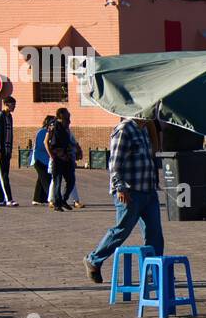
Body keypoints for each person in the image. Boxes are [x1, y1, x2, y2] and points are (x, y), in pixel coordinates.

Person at [83, 117, 163, 282]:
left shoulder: (145, 130)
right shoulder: (124, 129)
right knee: (122, 230)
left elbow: (153, 153)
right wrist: (120, 186)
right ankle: (94, 259)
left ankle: (152, 272)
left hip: (148, 189)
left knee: (154, 233)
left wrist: (153, 128)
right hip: (130, 191)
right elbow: (114, 163)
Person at [48, 107, 79, 212]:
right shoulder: (54, 127)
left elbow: (69, 140)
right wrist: (53, 156)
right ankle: (57, 203)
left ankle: (63, 200)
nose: (69, 117)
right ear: (61, 116)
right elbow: (49, 143)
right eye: (67, 115)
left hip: (67, 158)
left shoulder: (66, 126)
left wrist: (75, 151)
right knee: (57, 181)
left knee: (71, 180)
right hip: (58, 158)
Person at [0, 96, 17, 207]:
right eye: (12, 104)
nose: (14, 106)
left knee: (3, 175)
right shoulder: (0, 115)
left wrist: (9, 150)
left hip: (6, 151)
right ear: (6, 104)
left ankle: (0, 199)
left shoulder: (9, 117)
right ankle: (8, 199)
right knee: (3, 175)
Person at [31, 115, 54, 206]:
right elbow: (41, 147)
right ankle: (52, 199)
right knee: (46, 179)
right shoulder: (43, 132)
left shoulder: (48, 132)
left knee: (41, 179)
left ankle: (38, 199)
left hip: (44, 160)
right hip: (40, 160)